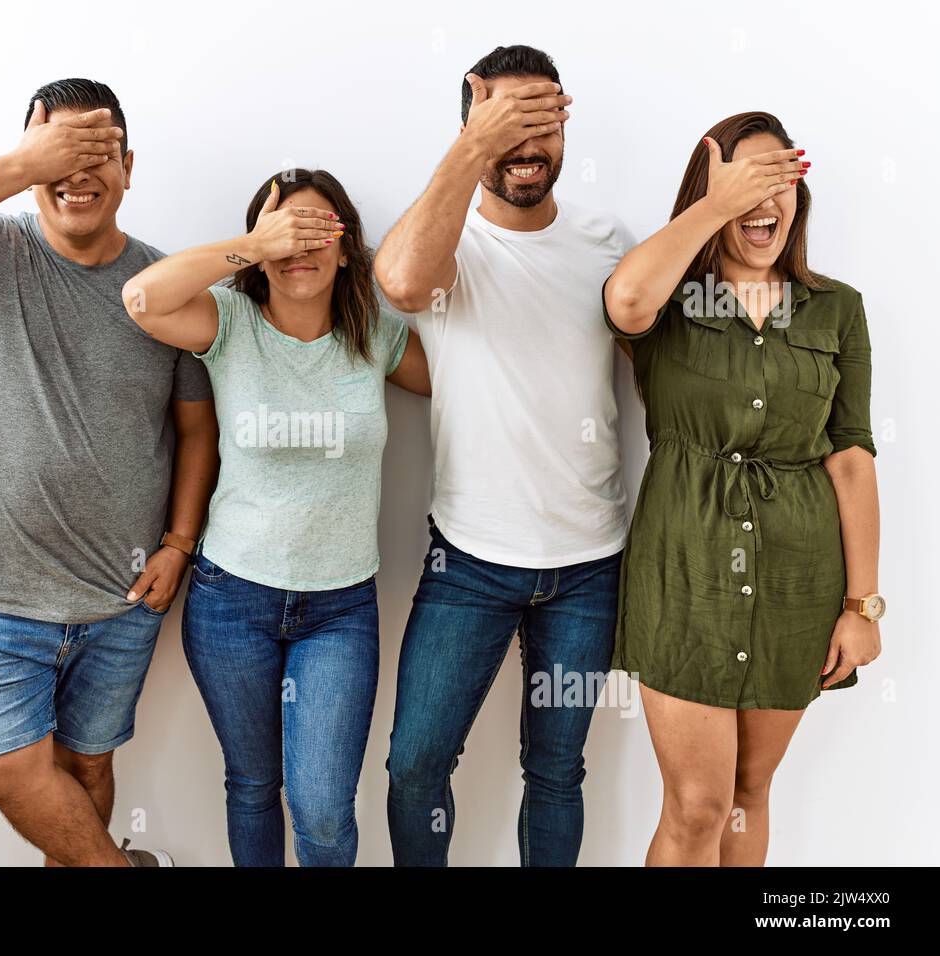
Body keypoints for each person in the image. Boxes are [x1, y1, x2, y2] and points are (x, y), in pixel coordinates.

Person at [0, 79, 219, 868]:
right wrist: (19, 163)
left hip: (124, 592)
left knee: (88, 765)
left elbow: (197, 427)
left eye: (96, 152)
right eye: (57, 151)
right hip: (2, 590)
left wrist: (179, 544)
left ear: (129, 166)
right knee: (6, 769)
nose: (76, 171)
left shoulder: (161, 286)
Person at [122, 168, 430, 866]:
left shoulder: (373, 335)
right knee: (254, 785)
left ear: (348, 247)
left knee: (322, 808)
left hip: (341, 608)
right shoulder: (226, 323)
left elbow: (463, 379)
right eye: (283, 232)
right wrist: (252, 243)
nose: (300, 247)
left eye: (318, 229)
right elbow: (141, 298)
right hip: (233, 600)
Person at [375, 45, 634, 866]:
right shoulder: (448, 241)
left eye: (544, 121)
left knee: (557, 771)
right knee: (416, 764)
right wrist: (473, 144)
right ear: (473, 127)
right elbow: (406, 287)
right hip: (472, 562)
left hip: (591, 563)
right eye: (506, 124)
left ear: (568, 126)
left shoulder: (605, 241)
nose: (529, 146)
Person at [603, 112, 881, 866]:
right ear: (715, 187)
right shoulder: (672, 301)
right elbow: (624, 300)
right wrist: (717, 205)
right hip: (684, 576)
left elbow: (851, 455)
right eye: (748, 180)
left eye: (782, 180)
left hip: (797, 583)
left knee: (748, 796)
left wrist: (863, 605)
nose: (768, 199)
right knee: (697, 807)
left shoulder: (836, 308)